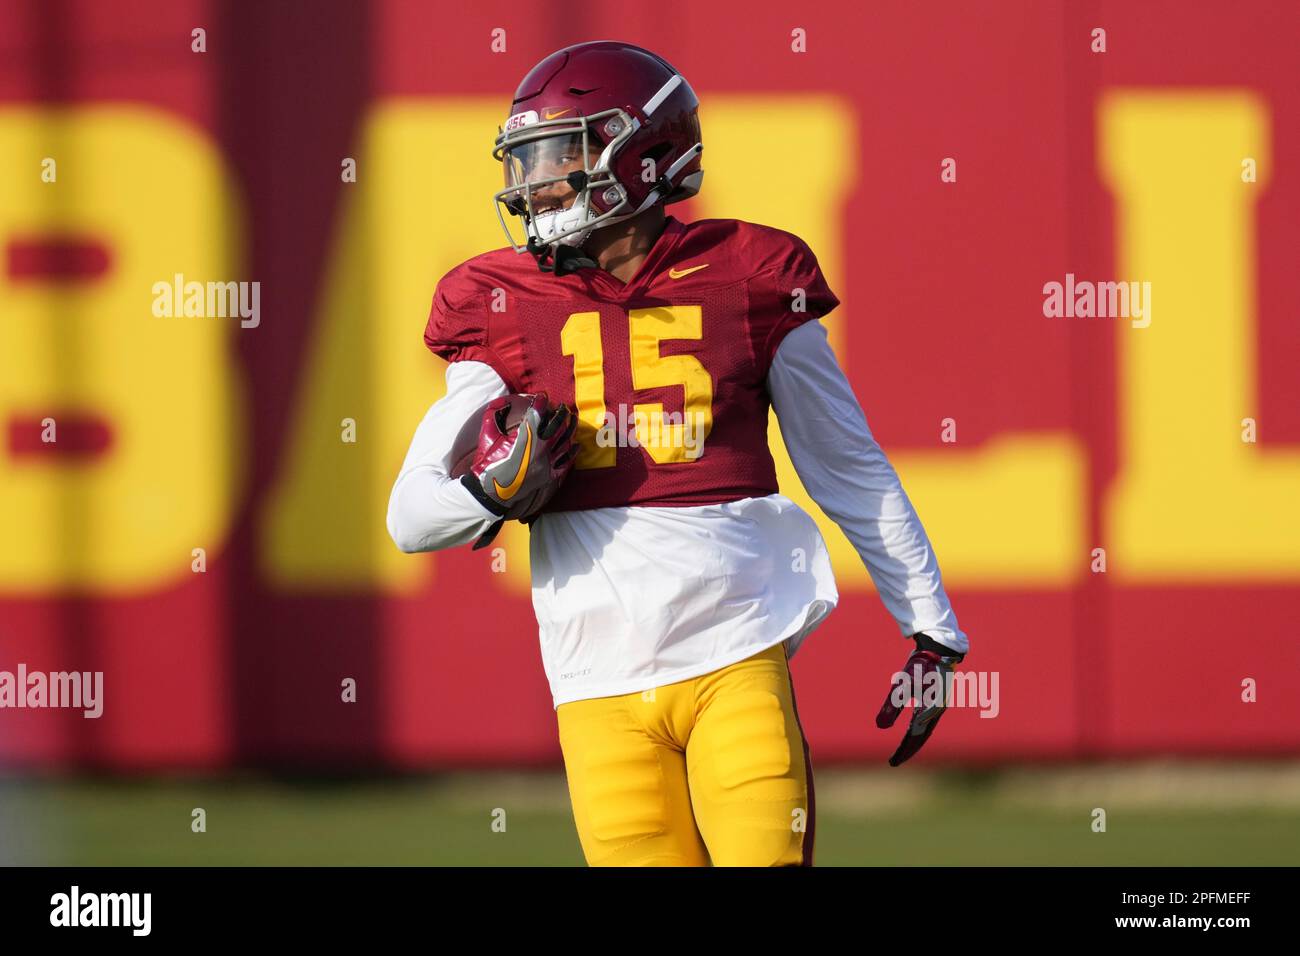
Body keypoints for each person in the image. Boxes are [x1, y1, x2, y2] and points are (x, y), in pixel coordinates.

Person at [387, 40, 968, 866]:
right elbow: (411, 517)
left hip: (735, 654)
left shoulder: (752, 274)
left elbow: (846, 466)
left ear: (647, 155)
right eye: (528, 160)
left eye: (563, 153)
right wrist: (490, 490)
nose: (537, 183)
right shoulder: (499, 305)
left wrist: (931, 626)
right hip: (595, 685)